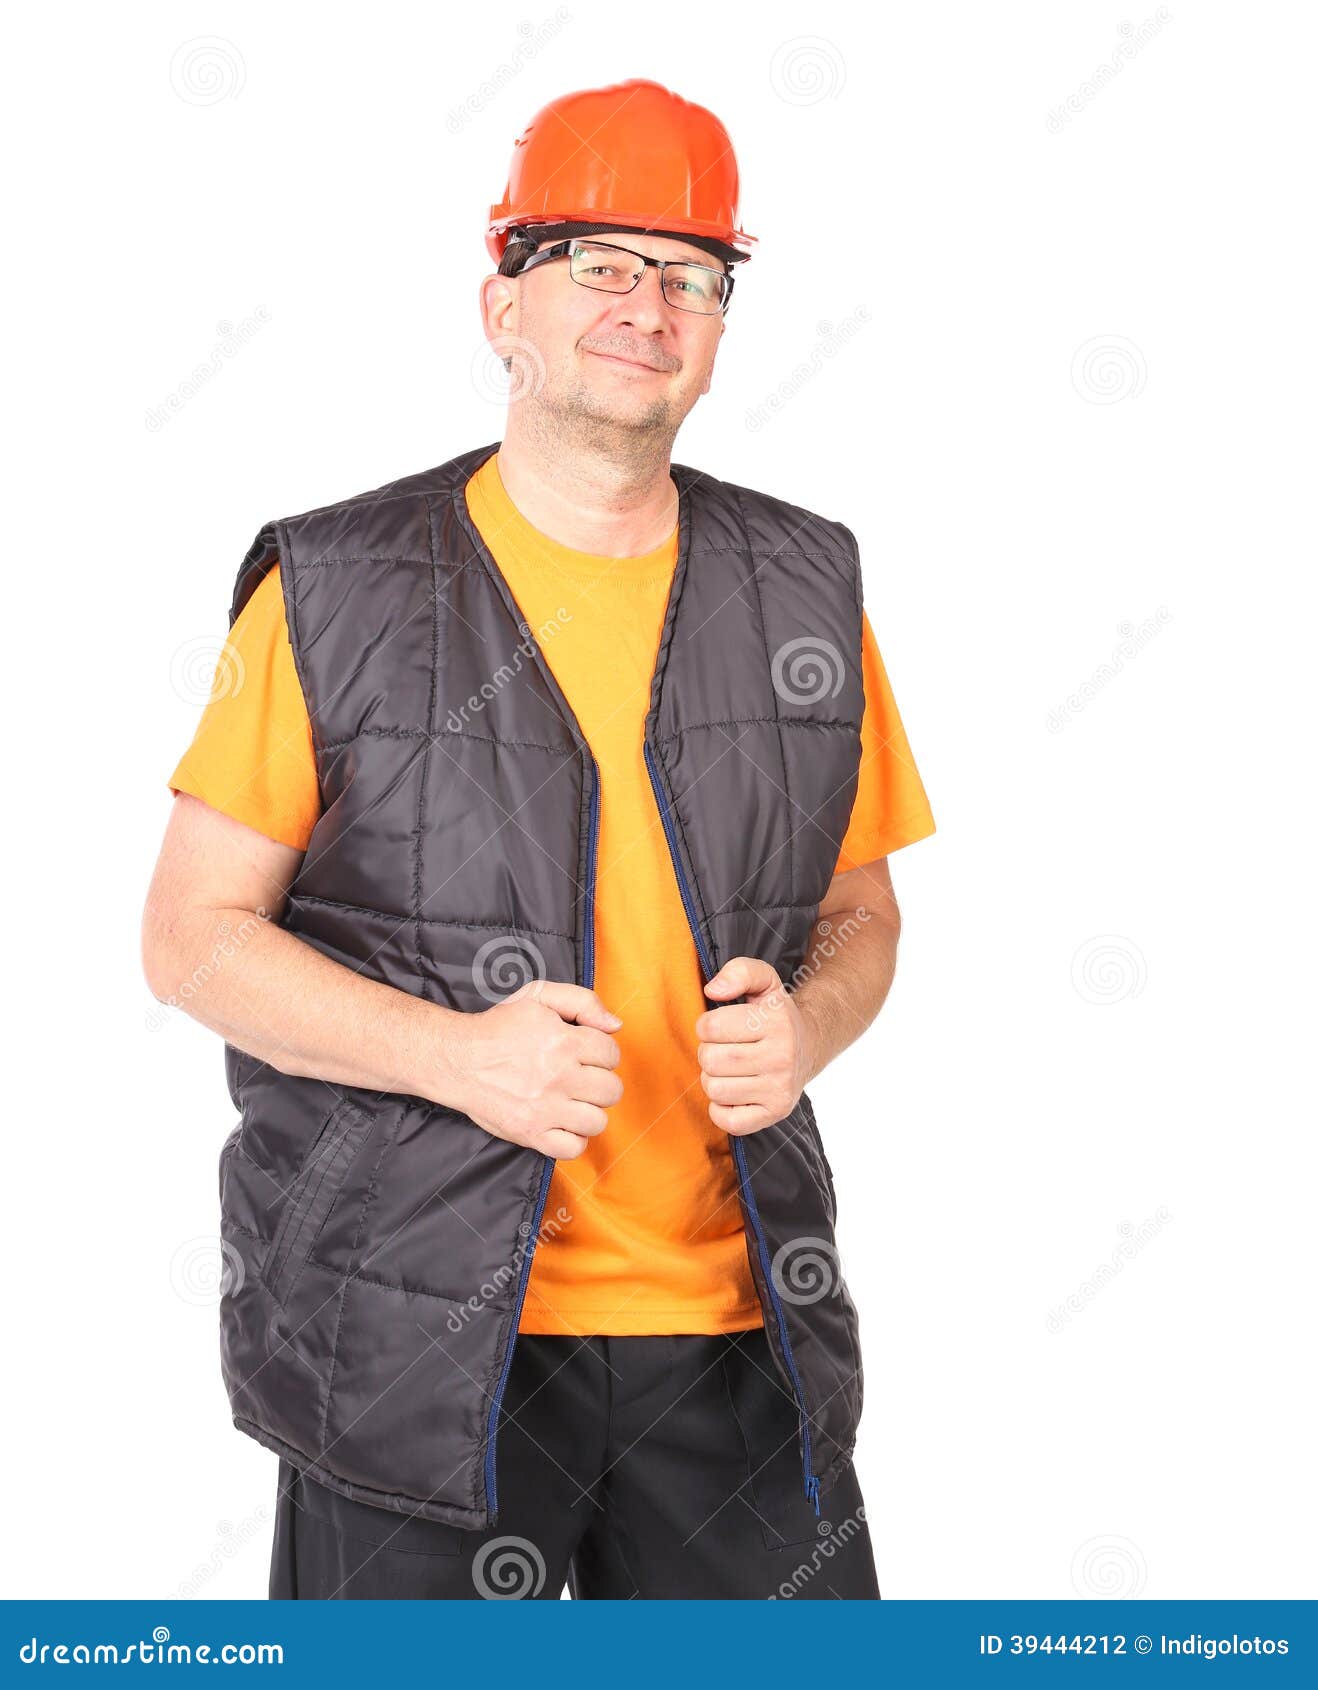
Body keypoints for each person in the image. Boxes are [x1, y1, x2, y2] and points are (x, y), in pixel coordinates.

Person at [142, 77, 935, 1601]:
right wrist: (455, 1056)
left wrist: (812, 1021)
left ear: (718, 325)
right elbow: (190, 936)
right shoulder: (332, 586)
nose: (650, 305)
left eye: (691, 275)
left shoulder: (803, 589)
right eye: (601, 263)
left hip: (738, 1343)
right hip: (413, 1347)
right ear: (502, 302)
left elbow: (862, 914)